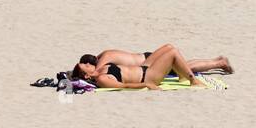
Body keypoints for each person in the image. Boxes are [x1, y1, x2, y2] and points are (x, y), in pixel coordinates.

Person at [76, 45, 207, 90]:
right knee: (173, 53)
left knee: (169, 47)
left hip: (144, 67)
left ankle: (182, 75)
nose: (89, 64)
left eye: (86, 63)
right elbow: (124, 86)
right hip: (147, 76)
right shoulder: (102, 79)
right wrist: (147, 84)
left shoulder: (100, 68)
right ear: (87, 75)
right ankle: (193, 81)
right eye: (86, 66)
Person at [71, 47, 232, 83]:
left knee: (185, 67)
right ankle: (216, 61)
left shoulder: (103, 61)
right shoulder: (105, 54)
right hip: (145, 60)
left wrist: (77, 76)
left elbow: (95, 74)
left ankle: (219, 62)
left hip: (147, 65)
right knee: (185, 64)